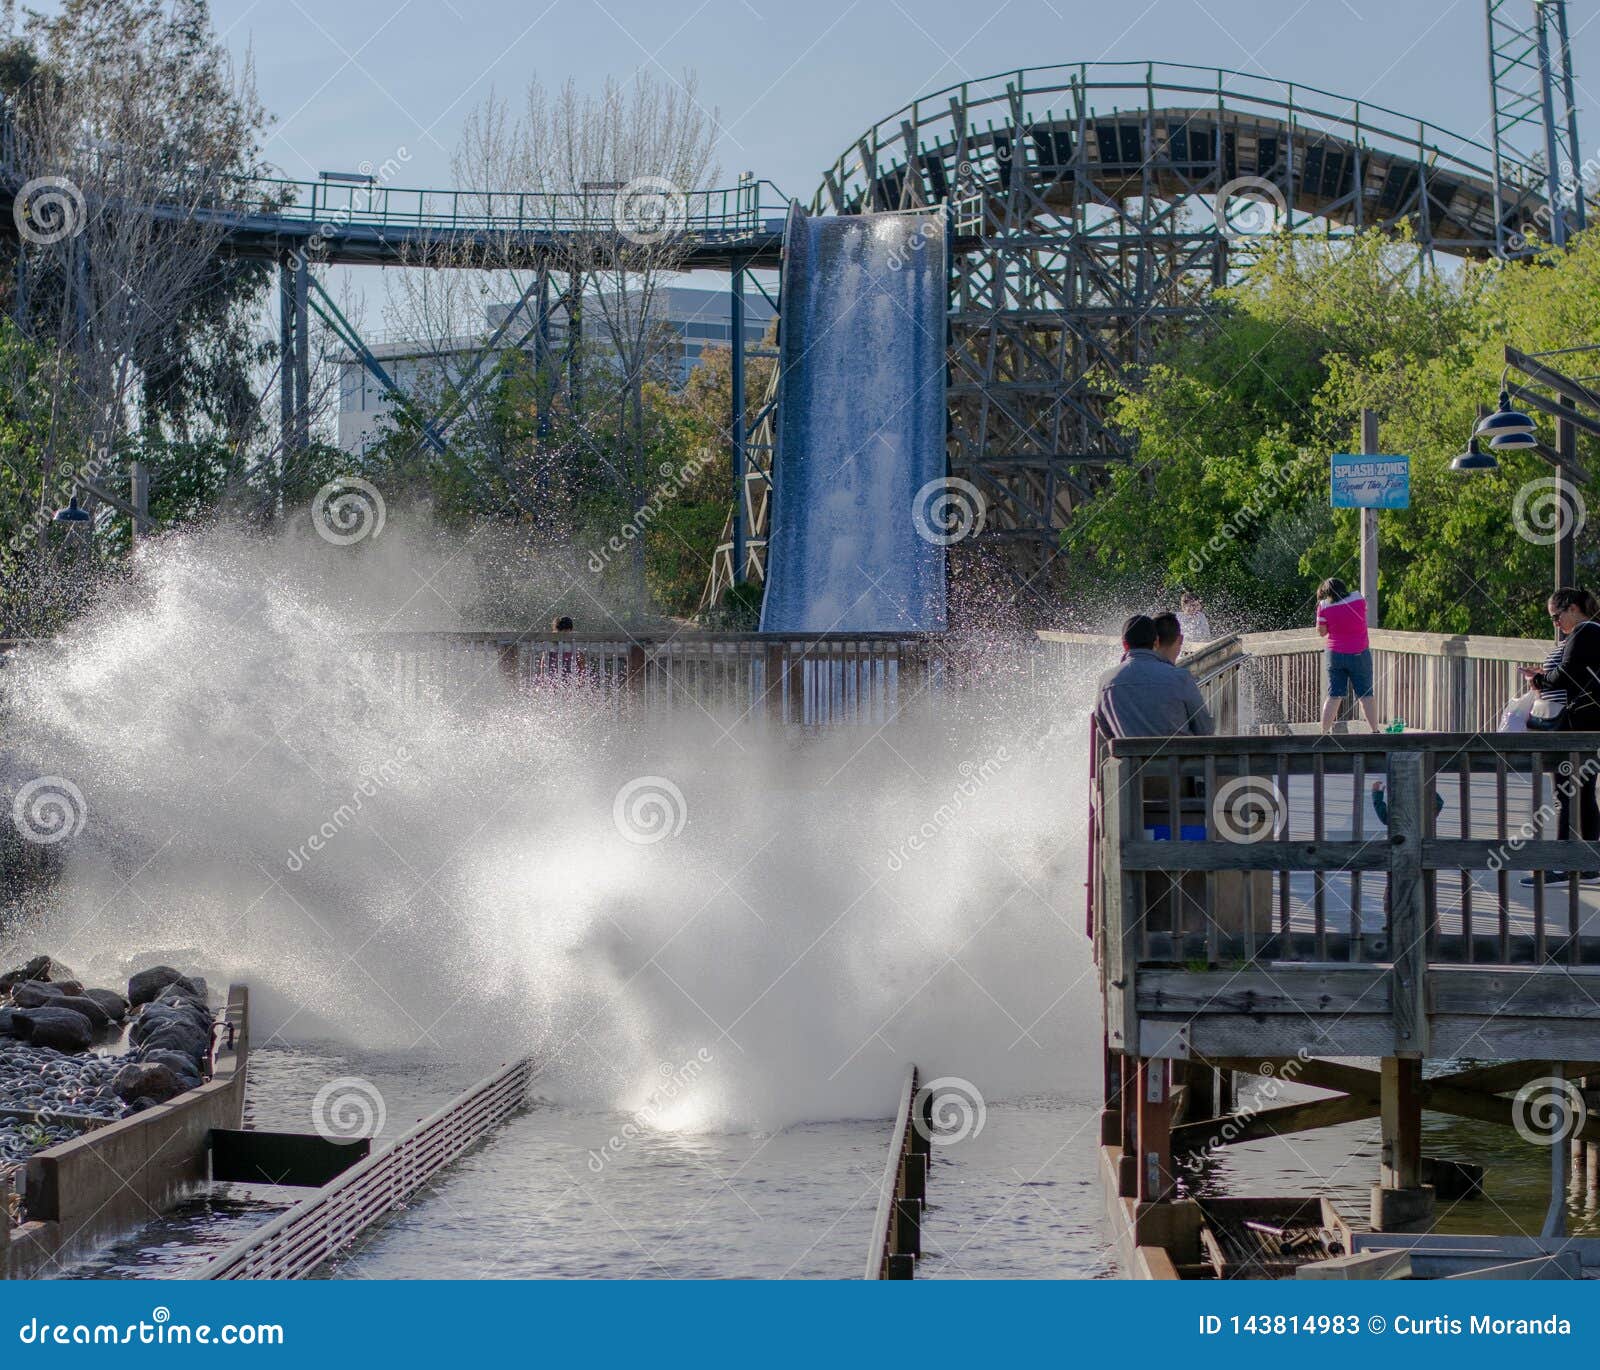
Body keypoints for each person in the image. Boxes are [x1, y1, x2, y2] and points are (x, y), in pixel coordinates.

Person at [1519, 587, 1600, 880]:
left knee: (1568, 792)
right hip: (1583, 723)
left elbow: (1567, 674)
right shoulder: (1583, 634)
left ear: (1574, 608)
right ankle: (1588, 862)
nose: (1555, 623)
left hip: (1578, 726)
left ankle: (1567, 863)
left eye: (1557, 616)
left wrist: (1539, 678)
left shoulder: (1586, 631)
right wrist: (1542, 677)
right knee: (1580, 790)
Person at [1095, 612, 1214, 739]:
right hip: (1177, 758)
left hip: (1129, 758)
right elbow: (1205, 730)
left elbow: (1105, 730)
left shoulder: (1106, 681)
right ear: (1156, 642)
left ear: (1124, 645)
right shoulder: (1181, 677)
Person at [1315, 578, 1379, 733]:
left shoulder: (1323, 606)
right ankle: (1375, 731)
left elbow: (1322, 632)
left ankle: (1323, 733)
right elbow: (1362, 616)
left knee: (1334, 695)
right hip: (1359, 653)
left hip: (1335, 654)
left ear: (1326, 592)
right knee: (1366, 695)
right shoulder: (1358, 598)